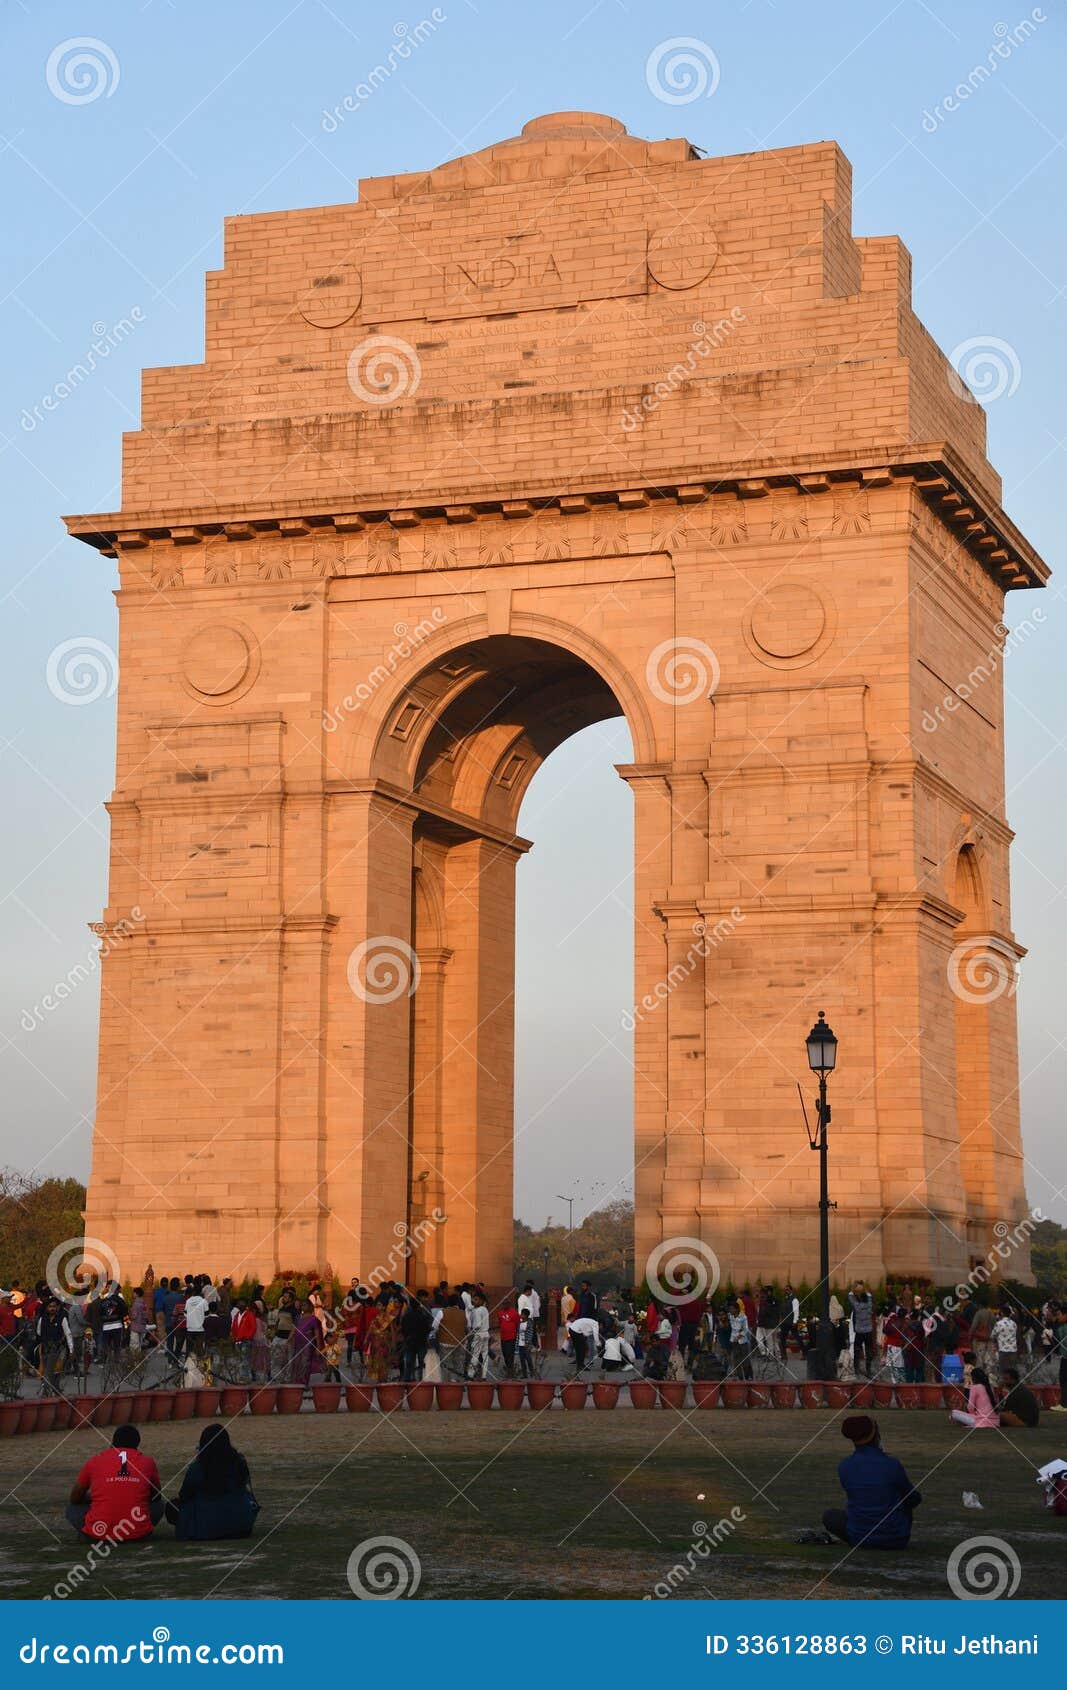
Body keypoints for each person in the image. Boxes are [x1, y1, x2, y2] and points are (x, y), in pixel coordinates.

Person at [820, 1416, 922, 1549]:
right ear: (875, 1436)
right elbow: (914, 1499)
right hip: (895, 1538)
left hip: (859, 1536)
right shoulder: (892, 1464)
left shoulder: (844, 1466)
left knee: (830, 1516)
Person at [67, 1425, 163, 1542]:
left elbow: (75, 1498)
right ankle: (138, 1530)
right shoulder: (147, 1462)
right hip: (138, 1534)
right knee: (158, 1504)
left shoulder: (95, 1461)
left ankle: (89, 1532)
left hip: (99, 1533)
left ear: (113, 1442)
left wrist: (93, 1498)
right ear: (137, 1444)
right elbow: (157, 1495)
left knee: (72, 1508)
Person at [166, 1425, 258, 1541]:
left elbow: (184, 1495)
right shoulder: (239, 1463)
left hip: (206, 1527)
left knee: (172, 1506)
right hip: (241, 1525)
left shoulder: (198, 1468)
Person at [848, 1280, 875, 1378]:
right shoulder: (869, 1305)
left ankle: (856, 1369)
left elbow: (850, 1295)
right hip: (868, 1331)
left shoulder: (857, 1306)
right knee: (868, 1351)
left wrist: (855, 1288)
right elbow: (869, 1295)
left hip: (859, 1331)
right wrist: (864, 1288)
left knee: (857, 1350)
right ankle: (868, 1369)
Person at [467, 1293, 491, 1379]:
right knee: (485, 1355)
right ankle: (484, 1375)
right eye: (474, 1299)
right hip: (486, 1334)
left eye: (476, 1299)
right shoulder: (485, 1309)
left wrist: (470, 1333)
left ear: (481, 1301)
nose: (474, 1301)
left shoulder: (477, 1311)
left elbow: (477, 1326)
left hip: (479, 1335)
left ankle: (470, 1374)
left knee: (475, 1355)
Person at [991, 1306, 1019, 1378]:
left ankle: (1004, 1386)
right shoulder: (1014, 1324)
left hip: (1003, 1350)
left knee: (1003, 1371)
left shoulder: (999, 1324)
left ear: (1002, 1313)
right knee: (1013, 1371)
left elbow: (992, 1336)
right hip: (1013, 1350)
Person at [497, 1297, 520, 1376]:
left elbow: (517, 1324)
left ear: (509, 1304)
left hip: (511, 1337)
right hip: (503, 1337)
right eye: (503, 1303)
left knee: (510, 1353)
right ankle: (508, 1367)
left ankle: (510, 1369)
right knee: (505, 1353)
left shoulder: (514, 1313)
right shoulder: (500, 1313)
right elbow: (500, 1323)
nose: (504, 1305)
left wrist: (515, 1333)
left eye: (506, 1303)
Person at [517, 1307, 538, 1378]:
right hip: (520, 1343)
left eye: (522, 1314)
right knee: (522, 1359)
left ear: (526, 1315)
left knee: (528, 1358)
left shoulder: (529, 1323)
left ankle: (532, 1371)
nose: (521, 1315)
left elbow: (530, 1334)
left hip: (526, 1344)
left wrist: (527, 1342)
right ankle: (524, 1374)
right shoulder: (519, 1323)